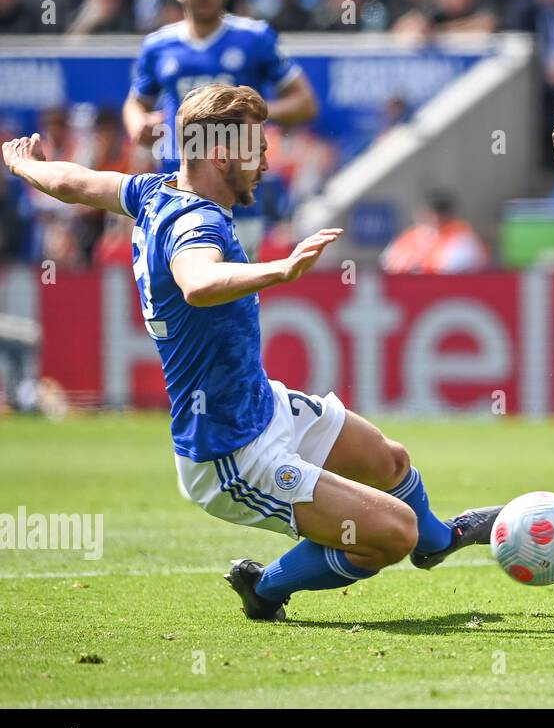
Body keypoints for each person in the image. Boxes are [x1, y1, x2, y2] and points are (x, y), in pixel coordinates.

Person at [3, 84, 500, 621]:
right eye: (257, 148)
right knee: (389, 532)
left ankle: (437, 542)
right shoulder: (197, 223)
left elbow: (76, 182)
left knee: (389, 460)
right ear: (220, 155)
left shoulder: (154, 191)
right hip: (231, 455)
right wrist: (280, 270)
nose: (267, 160)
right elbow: (197, 280)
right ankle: (268, 588)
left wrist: (25, 166)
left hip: (261, 406)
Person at [122, 0, 319, 258]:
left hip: (238, 191)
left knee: (232, 295)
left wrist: (251, 116)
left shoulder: (255, 37)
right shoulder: (158, 45)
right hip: (176, 186)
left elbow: (305, 103)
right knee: (179, 295)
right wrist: (139, 124)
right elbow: (135, 103)